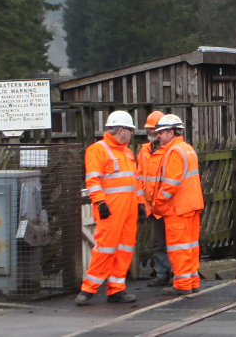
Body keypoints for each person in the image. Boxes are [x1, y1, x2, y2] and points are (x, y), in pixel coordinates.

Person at [76, 110, 144, 306]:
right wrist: (99, 202)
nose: (132, 134)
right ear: (121, 130)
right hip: (110, 209)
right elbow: (93, 179)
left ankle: (116, 290)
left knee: (124, 250)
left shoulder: (127, 152)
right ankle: (88, 289)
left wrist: (140, 204)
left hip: (128, 210)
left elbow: (135, 181)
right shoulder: (98, 150)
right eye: (130, 130)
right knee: (105, 249)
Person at [147, 114, 204, 295]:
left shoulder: (173, 152)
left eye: (161, 132)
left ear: (171, 132)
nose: (158, 136)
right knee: (191, 246)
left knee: (178, 247)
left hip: (178, 208)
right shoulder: (187, 149)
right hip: (192, 204)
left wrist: (157, 202)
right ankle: (192, 280)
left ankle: (182, 285)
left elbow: (170, 184)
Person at [137, 110, 171, 287]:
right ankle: (163, 274)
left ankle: (177, 275)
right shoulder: (144, 151)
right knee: (157, 242)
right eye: (149, 129)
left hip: (168, 205)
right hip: (153, 206)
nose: (151, 132)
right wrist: (142, 203)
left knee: (174, 242)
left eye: (154, 129)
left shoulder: (170, 151)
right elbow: (140, 178)